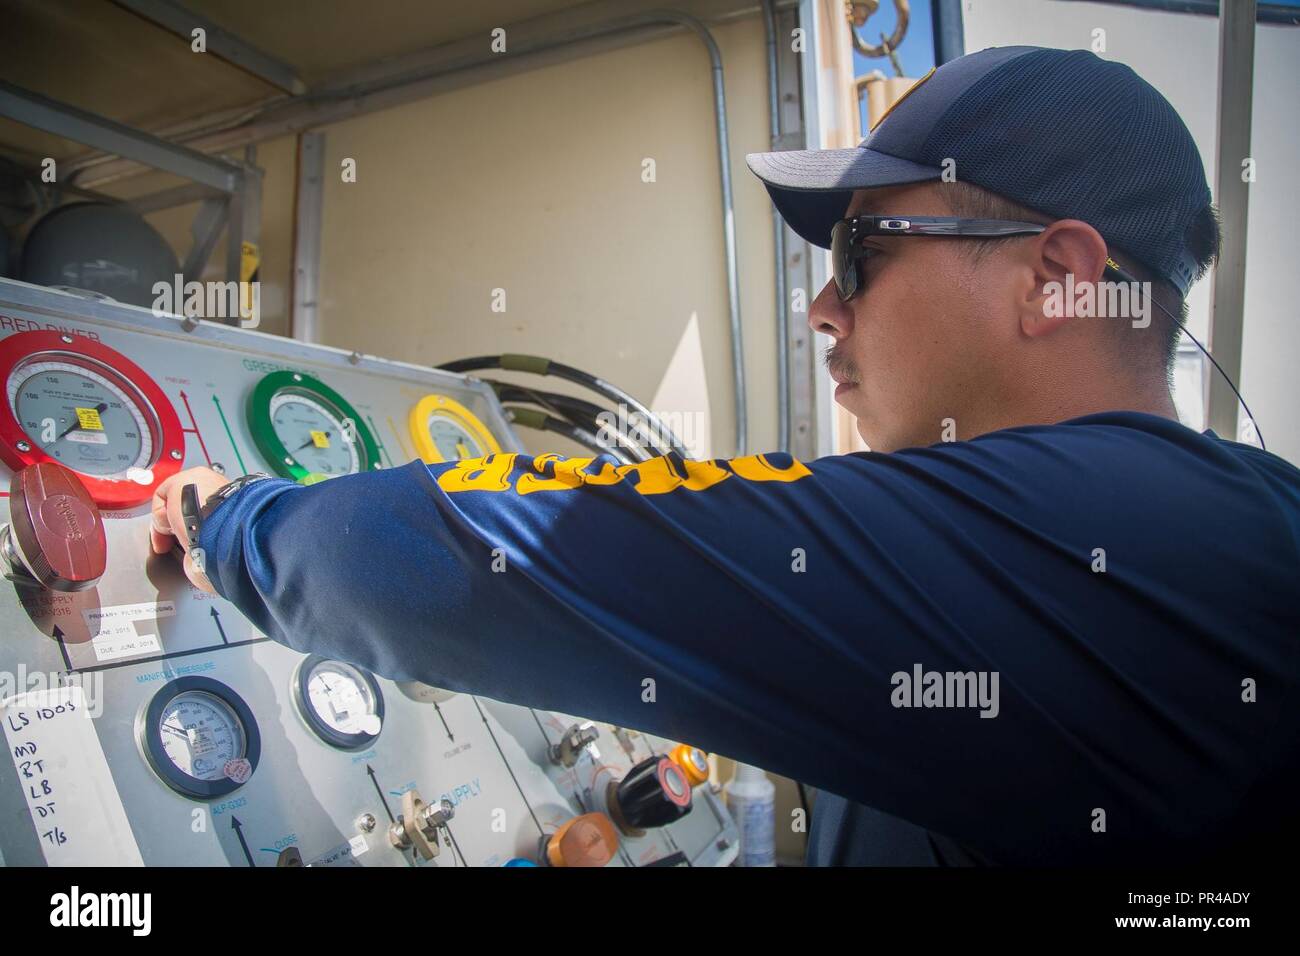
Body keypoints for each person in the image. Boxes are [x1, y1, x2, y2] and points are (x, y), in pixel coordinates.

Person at [151, 46, 1299, 866]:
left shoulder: (1119, 546)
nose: (821, 309)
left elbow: (471, 557)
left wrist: (229, 518)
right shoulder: (1196, 531)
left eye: (861, 252)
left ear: (1056, 275)